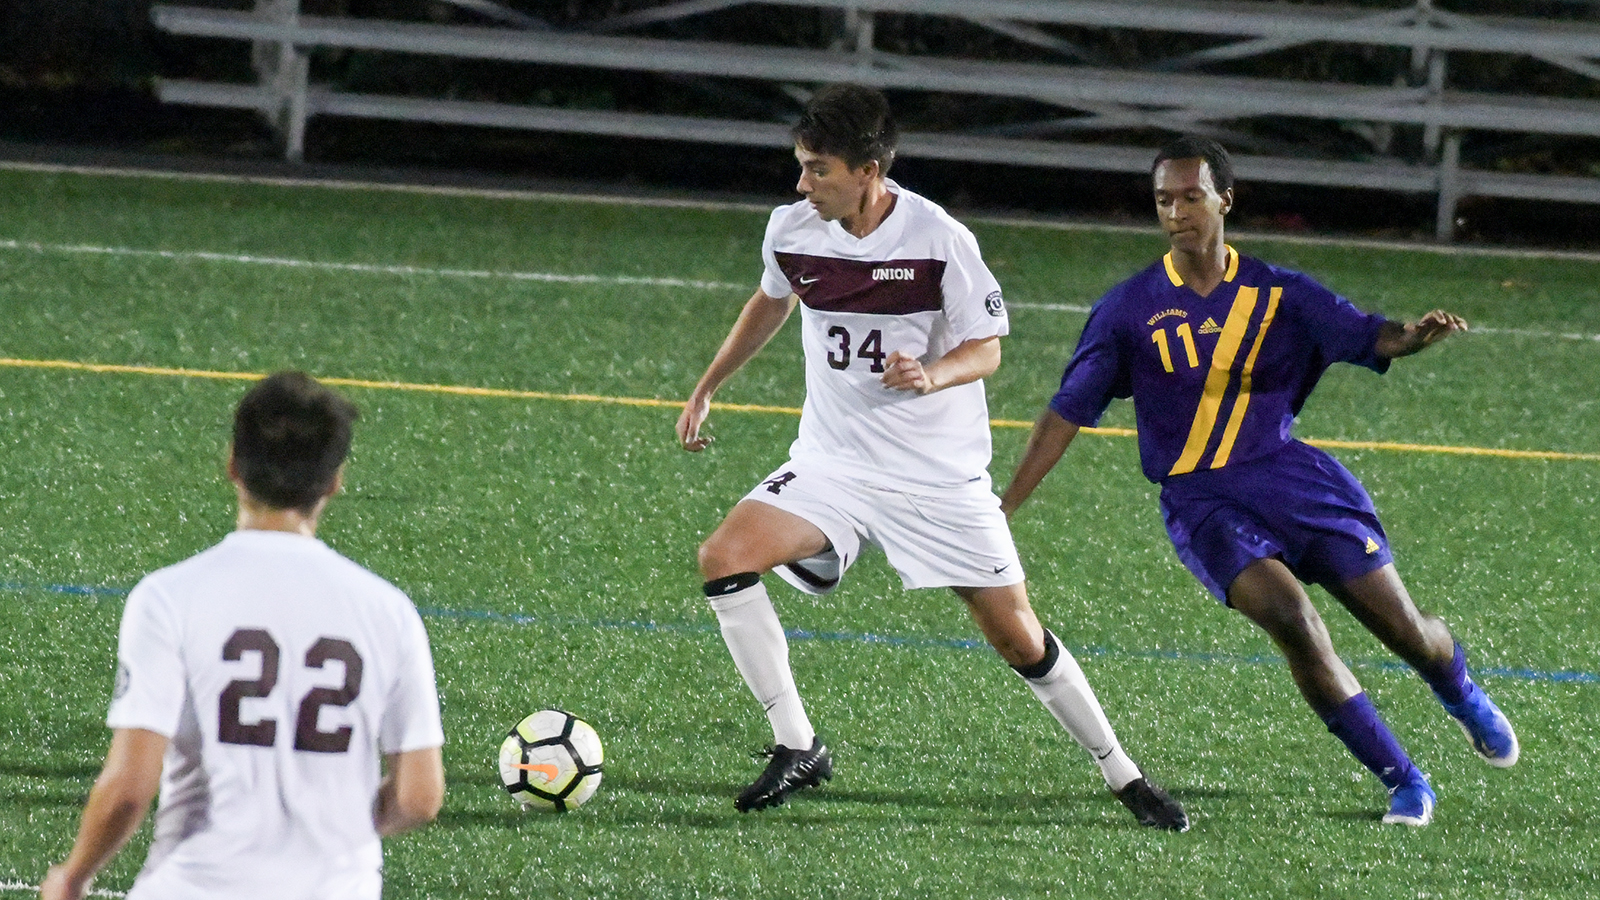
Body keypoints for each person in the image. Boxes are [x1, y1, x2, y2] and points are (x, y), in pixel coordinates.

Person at [675, 83, 1187, 829]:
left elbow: (988, 347)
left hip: (936, 478)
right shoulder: (792, 229)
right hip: (832, 463)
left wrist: (931, 374)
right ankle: (798, 744)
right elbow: (773, 299)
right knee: (723, 557)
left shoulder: (938, 237)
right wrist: (707, 387)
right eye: (802, 165)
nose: (803, 183)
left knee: (1017, 637)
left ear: (868, 170)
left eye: (818, 169)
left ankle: (1123, 774)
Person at [1000, 136, 1519, 827]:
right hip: (1202, 501)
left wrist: (1412, 336)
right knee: (1294, 622)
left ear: (1225, 200)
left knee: (1406, 631)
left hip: (1294, 481)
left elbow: (1369, 336)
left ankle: (1458, 691)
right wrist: (1005, 505)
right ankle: (1404, 780)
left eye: (1191, 196)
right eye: (1164, 200)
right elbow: (1067, 411)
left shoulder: (1280, 293)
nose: (1177, 212)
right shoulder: (1129, 309)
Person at [42, 371, 446, 899]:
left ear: (232, 463)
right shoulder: (388, 612)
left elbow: (128, 789)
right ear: (334, 481)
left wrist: (72, 876)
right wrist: (335, 829)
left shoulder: (168, 598)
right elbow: (419, 797)